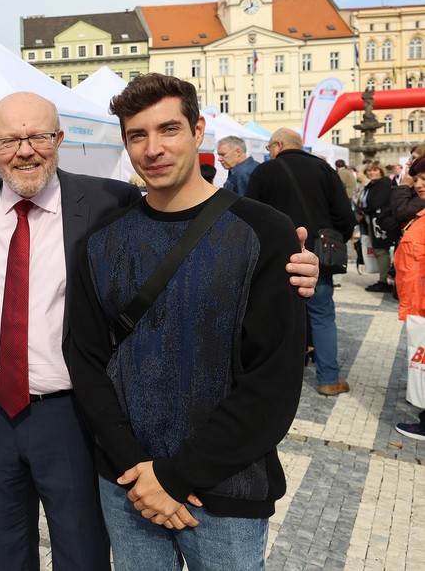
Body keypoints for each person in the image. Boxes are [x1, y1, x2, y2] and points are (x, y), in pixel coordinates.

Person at [0, 92, 319, 570]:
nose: (25, 151)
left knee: (82, 552)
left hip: (72, 413)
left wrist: (287, 257)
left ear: (59, 140)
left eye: (39, 137)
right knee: (6, 551)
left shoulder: (107, 199)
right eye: (9, 140)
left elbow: (184, 220)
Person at [70, 73, 305, 571]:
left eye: (168, 129)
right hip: (128, 484)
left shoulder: (263, 231)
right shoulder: (103, 240)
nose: (153, 148)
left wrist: (178, 475)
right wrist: (136, 469)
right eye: (138, 135)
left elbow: (273, 380)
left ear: (199, 132)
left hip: (224, 488)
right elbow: (86, 358)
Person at [245, 129, 356, 396]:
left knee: (276, 318)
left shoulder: (264, 172)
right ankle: (329, 379)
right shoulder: (324, 169)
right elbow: (344, 216)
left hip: (274, 258)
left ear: (280, 145)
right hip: (315, 256)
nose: (269, 152)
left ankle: (274, 381)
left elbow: (249, 217)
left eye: (270, 147)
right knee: (322, 316)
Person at [393, 155, 425, 440]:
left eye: (424, 179)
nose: (419, 185)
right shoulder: (422, 214)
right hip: (416, 303)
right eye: (417, 179)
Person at [360, 162, 398, 292]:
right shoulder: (371, 184)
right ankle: (383, 278)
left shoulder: (383, 183)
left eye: (375, 170)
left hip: (380, 221)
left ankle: (384, 280)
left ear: (381, 171)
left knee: (381, 250)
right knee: (378, 250)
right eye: (369, 171)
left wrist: (364, 210)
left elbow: (376, 203)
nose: (371, 173)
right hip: (372, 220)